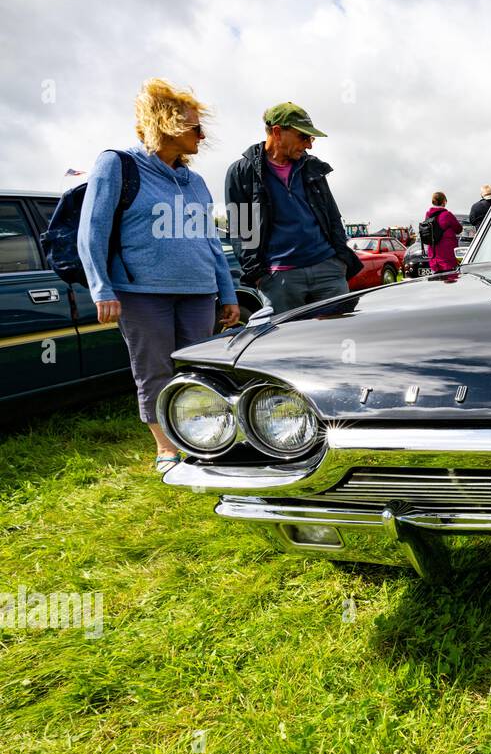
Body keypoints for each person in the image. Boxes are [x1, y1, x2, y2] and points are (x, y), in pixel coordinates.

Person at [78, 78, 239, 472]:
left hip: (199, 291)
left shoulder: (196, 181)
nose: (203, 136)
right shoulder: (117, 164)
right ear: (167, 123)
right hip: (141, 292)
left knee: (200, 370)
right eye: (195, 127)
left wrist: (228, 292)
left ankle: (204, 438)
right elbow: (91, 231)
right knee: (155, 370)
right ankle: (167, 447)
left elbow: (210, 241)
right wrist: (102, 288)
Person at [224, 102, 362, 313]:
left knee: (338, 341)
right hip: (279, 280)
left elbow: (333, 216)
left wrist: (340, 260)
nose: (309, 145)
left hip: (329, 271)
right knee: (290, 345)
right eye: (303, 136)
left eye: (311, 138)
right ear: (278, 132)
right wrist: (260, 277)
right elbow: (240, 230)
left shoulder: (312, 166)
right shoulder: (241, 172)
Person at [423, 192, 462, 273]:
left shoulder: (428, 216)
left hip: (433, 257)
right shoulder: (447, 215)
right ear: (444, 201)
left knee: (437, 283)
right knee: (451, 282)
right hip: (447, 258)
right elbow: (458, 229)